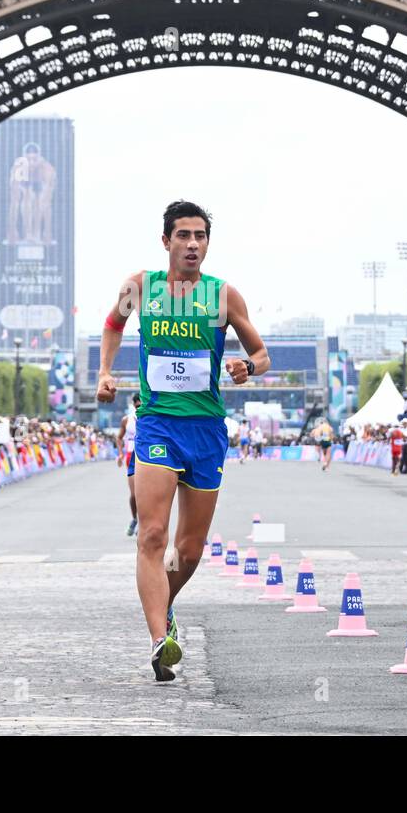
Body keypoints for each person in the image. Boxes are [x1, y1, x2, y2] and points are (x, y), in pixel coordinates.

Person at [95, 200, 269, 682]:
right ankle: (159, 641)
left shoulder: (223, 296)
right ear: (166, 240)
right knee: (153, 535)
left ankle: (163, 607)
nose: (193, 244)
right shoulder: (142, 287)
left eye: (201, 236)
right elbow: (113, 323)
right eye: (184, 235)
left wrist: (246, 367)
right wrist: (106, 372)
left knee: (189, 550)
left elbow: (261, 353)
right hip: (157, 425)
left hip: (207, 430)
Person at [116, 397, 142, 535]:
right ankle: (134, 519)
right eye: (136, 406)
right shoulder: (127, 419)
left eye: (141, 405)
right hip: (130, 455)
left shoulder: (151, 417)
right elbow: (119, 437)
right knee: (134, 494)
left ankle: (143, 522)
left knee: (145, 492)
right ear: (133, 405)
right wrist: (120, 454)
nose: (139, 408)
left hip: (145, 454)